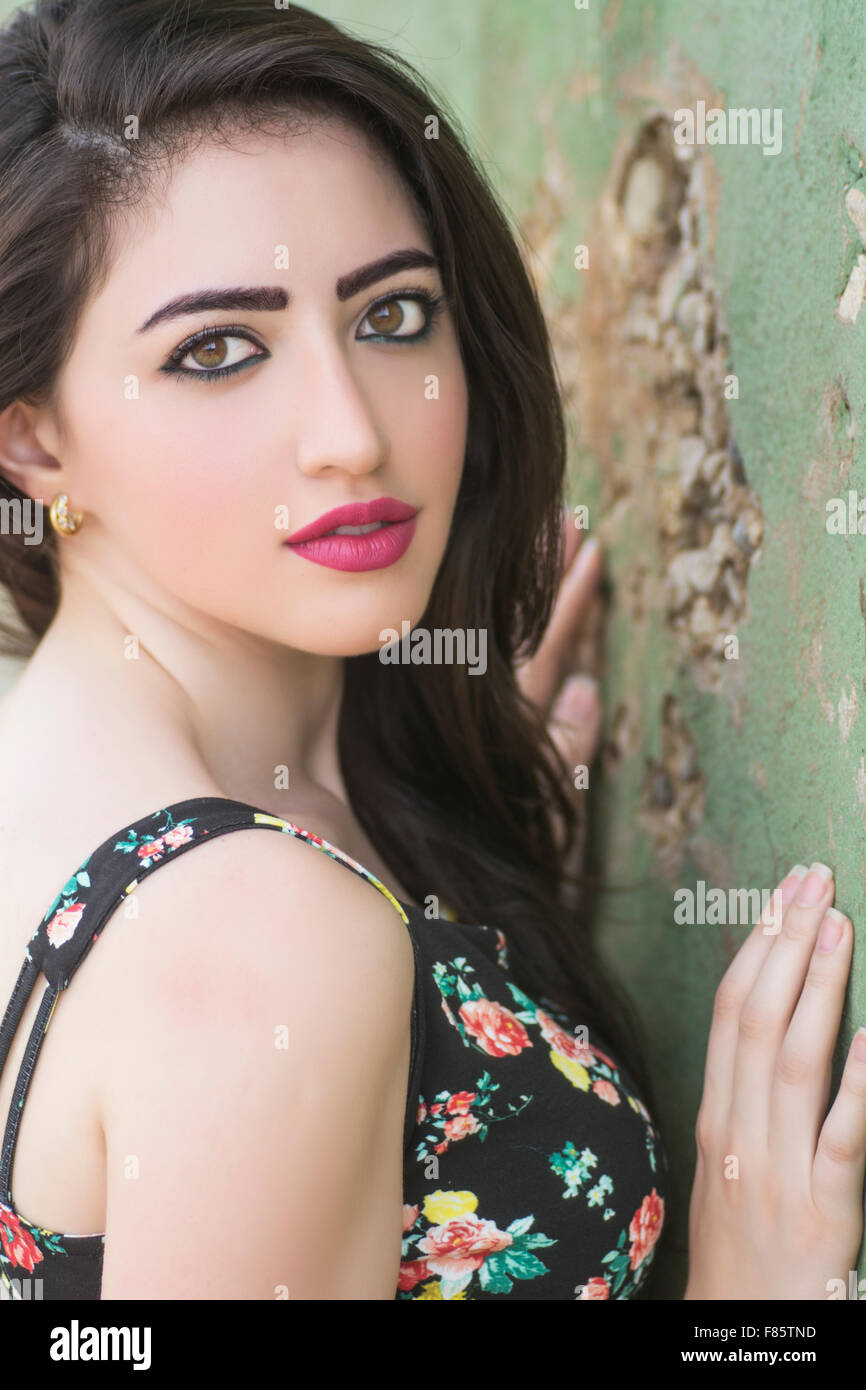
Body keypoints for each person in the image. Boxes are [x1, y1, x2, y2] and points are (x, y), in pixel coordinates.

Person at [0, 0, 861, 1303]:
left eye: (392, 317)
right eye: (216, 351)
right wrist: (749, 1304)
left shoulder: (82, 785)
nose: (349, 432)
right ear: (34, 441)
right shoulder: (264, 941)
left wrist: (445, 883)